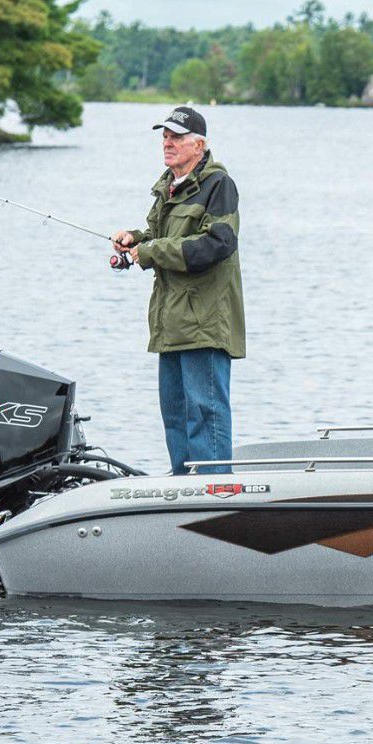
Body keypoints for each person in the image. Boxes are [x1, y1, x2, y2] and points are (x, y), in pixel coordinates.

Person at [110, 105, 245, 476]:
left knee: (205, 413)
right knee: (175, 415)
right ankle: (184, 492)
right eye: (165, 137)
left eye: (176, 137)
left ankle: (213, 494)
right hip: (171, 324)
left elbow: (217, 244)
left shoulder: (219, 185)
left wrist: (151, 251)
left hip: (204, 324)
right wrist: (136, 239)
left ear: (198, 145)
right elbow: (160, 237)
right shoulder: (167, 186)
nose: (168, 144)